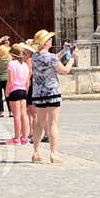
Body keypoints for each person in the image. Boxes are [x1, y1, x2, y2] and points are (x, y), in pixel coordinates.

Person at [29, 29, 74, 164]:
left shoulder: (35, 57)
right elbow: (64, 70)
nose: (51, 41)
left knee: (39, 123)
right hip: (52, 92)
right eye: (49, 39)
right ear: (45, 42)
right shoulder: (51, 58)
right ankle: (53, 153)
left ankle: (36, 152)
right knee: (53, 123)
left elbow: (51, 59)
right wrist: (71, 58)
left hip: (38, 93)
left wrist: (62, 51)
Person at [5, 44, 32, 145]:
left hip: (14, 90)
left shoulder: (11, 64)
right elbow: (27, 81)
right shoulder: (25, 65)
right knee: (23, 114)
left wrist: (7, 92)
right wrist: (26, 91)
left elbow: (10, 80)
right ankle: (24, 137)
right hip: (23, 90)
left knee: (16, 116)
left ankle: (16, 138)